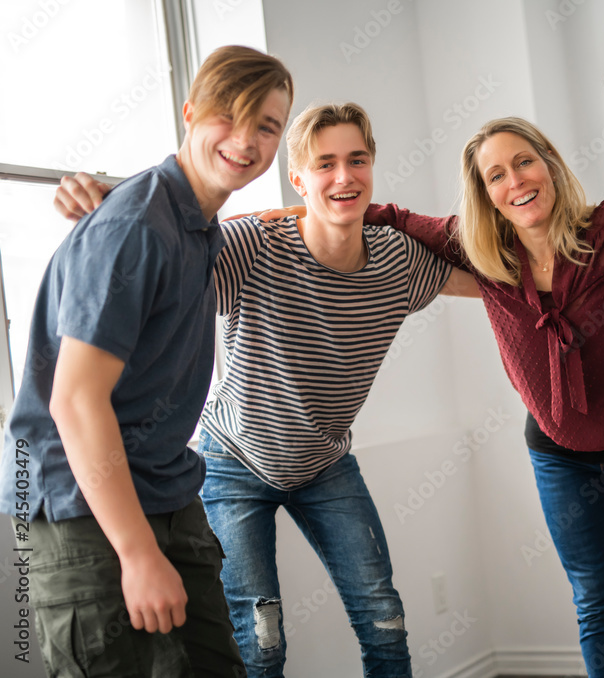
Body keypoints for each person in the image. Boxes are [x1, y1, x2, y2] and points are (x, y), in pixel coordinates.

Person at [252, 87, 604, 678]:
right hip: (558, 448)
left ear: (550, 165)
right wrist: (312, 210)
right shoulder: (482, 252)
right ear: (485, 193)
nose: (516, 180)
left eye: (525, 161)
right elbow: (397, 217)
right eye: (496, 174)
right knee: (593, 595)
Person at [53, 102, 479, 678]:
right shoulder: (253, 245)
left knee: (384, 619)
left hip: (325, 463)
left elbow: (491, 280)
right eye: (324, 164)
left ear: (373, 166)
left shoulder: (399, 263)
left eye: (356, 160)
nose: (344, 177)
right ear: (298, 178)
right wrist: (105, 203)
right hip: (234, 461)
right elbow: (168, 237)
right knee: (261, 638)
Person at [1, 45, 293, 676]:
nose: (245, 140)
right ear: (189, 113)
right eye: (228, 115)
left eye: (267, 125)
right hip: (80, 498)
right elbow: (75, 401)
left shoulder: (196, 222)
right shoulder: (136, 225)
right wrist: (136, 554)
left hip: (164, 485)